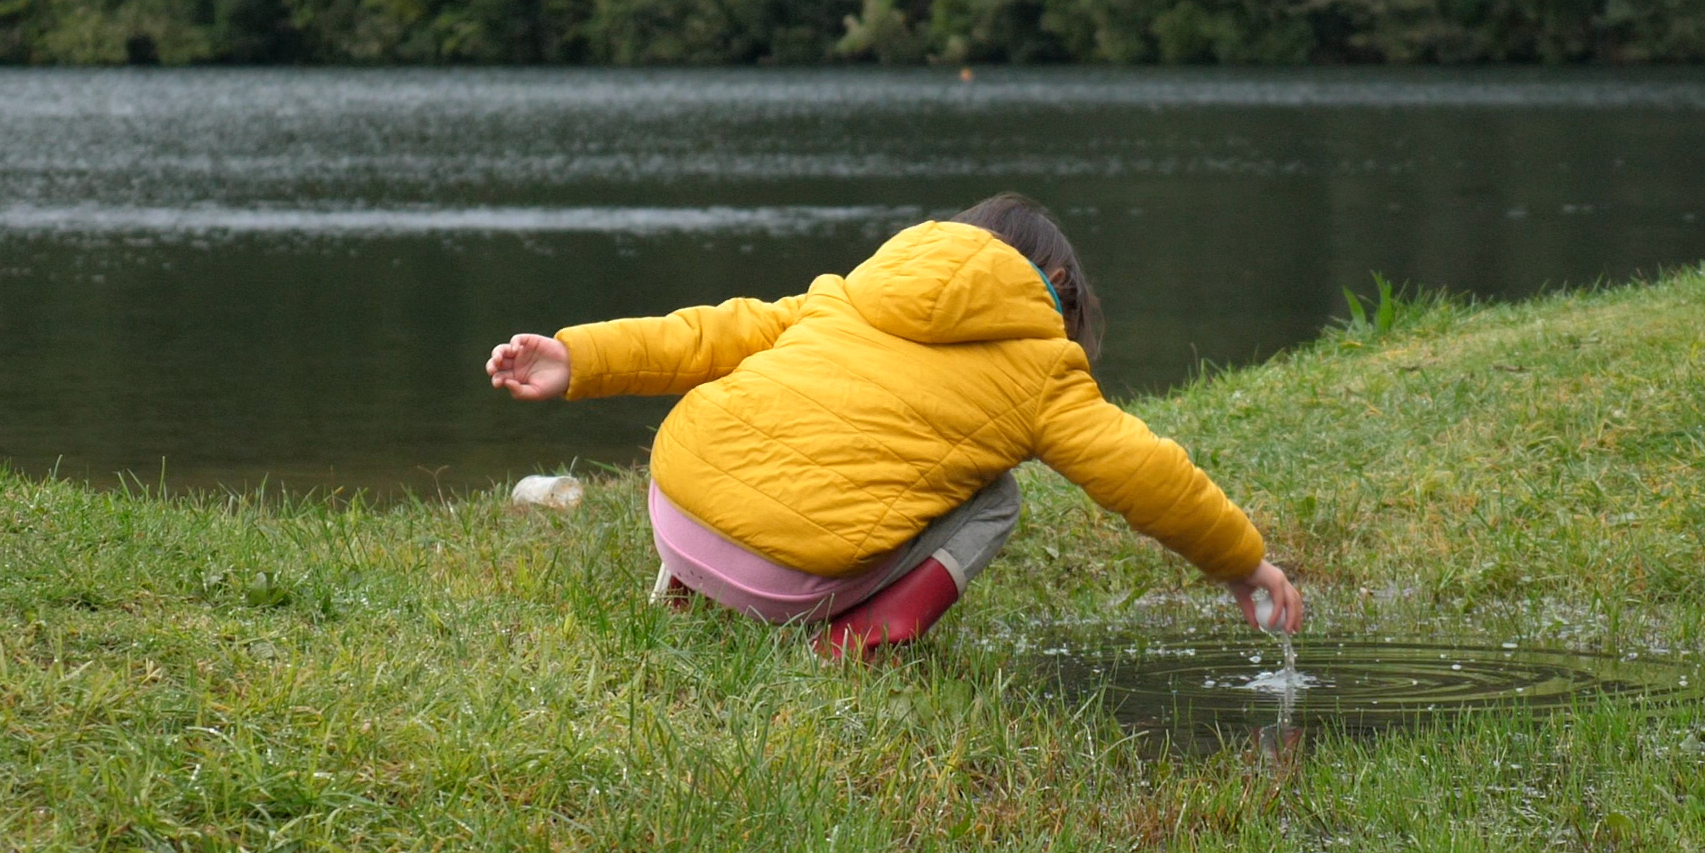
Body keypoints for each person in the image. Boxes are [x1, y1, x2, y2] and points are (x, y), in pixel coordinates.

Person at [483, 193, 1304, 657]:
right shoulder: (1043, 370)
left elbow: (705, 334)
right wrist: (1242, 563)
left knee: (757, 409)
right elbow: (1148, 477)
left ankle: (687, 595)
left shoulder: (847, 292)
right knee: (998, 499)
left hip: (675, 512)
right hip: (786, 583)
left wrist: (578, 357)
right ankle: (856, 647)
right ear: (1057, 284)